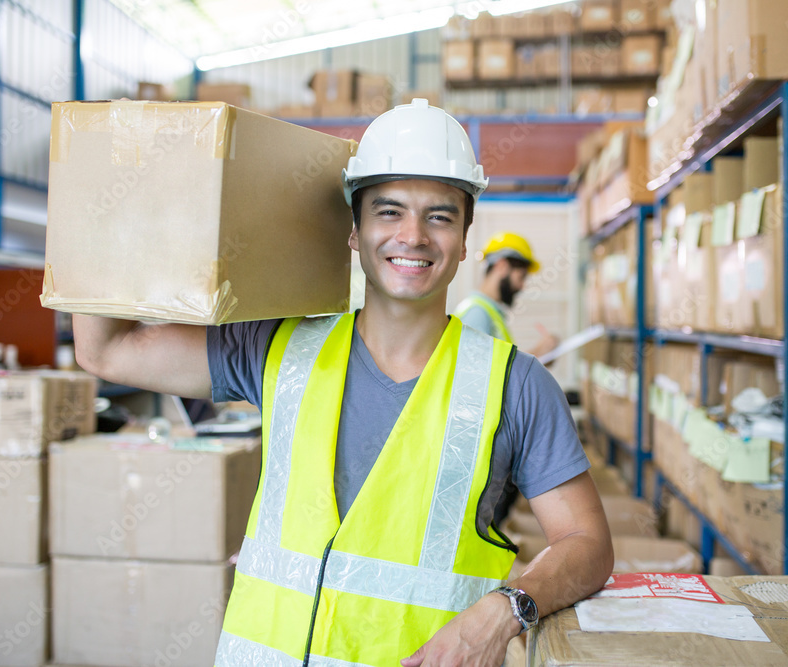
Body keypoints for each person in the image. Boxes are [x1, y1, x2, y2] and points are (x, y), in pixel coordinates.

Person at [72, 98, 612, 667]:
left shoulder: (516, 386)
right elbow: (106, 348)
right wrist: (103, 190)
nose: (413, 235)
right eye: (388, 211)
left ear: (465, 236)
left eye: (439, 215)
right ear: (353, 231)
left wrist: (503, 612)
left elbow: (588, 546)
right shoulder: (279, 347)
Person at [454, 232, 560, 359]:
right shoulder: (477, 313)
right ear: (502, 266)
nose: (522, 286)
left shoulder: (489, 312)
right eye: (521, 277)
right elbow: (475, 374)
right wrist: (537, 355)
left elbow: (495, 367)